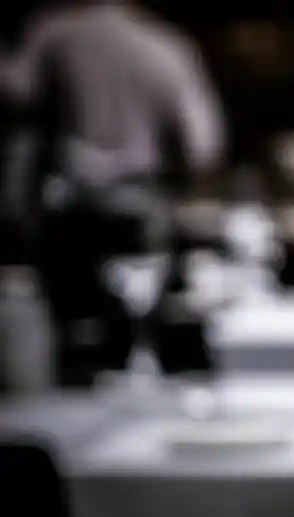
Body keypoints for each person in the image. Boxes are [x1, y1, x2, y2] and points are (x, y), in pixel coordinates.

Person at [1, 0, 224, 385]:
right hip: (141, 202)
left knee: (74, 345)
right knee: (134, 332)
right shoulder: (163, 45)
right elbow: (202, 144)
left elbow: (17, 94)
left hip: (72, 204)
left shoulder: (57, 32)